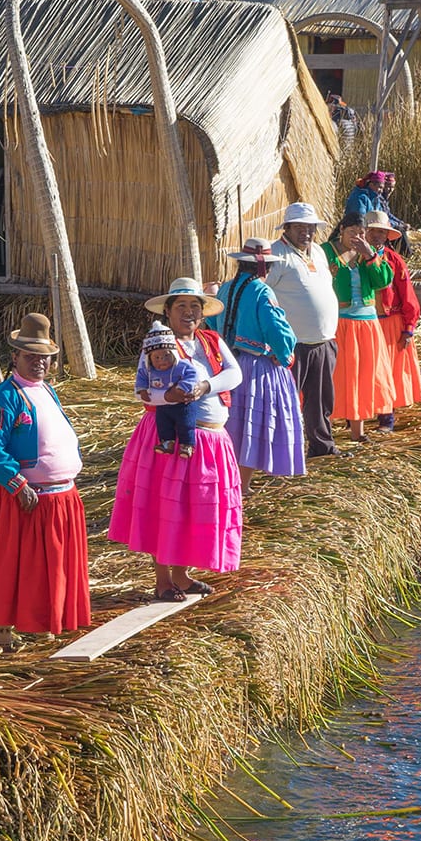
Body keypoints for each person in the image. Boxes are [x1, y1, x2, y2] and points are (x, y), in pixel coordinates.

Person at [107, 278, 243, 602]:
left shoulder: (210, 340)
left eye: (195, 306)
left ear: (203, 313)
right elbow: (144, 390)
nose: (188, 312)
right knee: (166, 504)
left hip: (210, 439)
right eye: (180, 306)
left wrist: (204, 387)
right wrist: (171, 394)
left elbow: (234, 373)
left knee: (190, 508)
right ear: (167, 311)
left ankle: (181, 576)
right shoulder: (158, 344)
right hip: (171, 437)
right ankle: (163, 580)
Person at [0, 313, 92, 651]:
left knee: (47, 568)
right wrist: (17, 483)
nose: (39, 363)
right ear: (15, 357)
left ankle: (42, 623)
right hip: (24, 498)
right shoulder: (3, 397)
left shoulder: (47, 391)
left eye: (45, 357)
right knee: (13, 564)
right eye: (31, 356)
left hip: (59, 497)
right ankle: (1, 631)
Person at [216, 237, 304, 489]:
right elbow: (275, 328)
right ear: (264, 267)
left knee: (232, 425)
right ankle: (241, 486)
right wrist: (285, 353)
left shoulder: (226, 287)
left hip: (228, 364)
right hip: (255, 369)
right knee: (249, 429)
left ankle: (230, 482)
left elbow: (212, 322)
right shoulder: (262, 291)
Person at [262, 202, 341, 459]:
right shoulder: (276, 255)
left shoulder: (317, 251)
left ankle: (322, 446)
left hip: (323, 341)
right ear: (287, 228)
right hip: (292, 344)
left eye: (310, 227)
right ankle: (281, 452)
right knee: (285, 400)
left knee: (320, 400)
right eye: (299, 227)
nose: (306, 232)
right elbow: (263, 294)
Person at [325, 211, 395, 444]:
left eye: (361, 233)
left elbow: (383, 281)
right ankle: (327, 430)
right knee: (338, 375)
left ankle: (358, 432)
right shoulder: (326, 251)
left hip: (367, 322)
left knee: (363, 376)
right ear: (342, 230)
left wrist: (370, 256)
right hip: (339, 322)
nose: (357, 236)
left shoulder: (370, 254)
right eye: (352, 232)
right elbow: (322, 277)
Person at [366, 210, 421, 432]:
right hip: (362, 320)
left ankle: (386, 419)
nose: (377, 236)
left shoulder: (393, 260)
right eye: (373, 231)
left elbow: (408, 295)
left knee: (387, 371)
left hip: (389, 322)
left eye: (382, 232)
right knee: (362, 368)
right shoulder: (352, 258)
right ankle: (356, 416)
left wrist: (409, 328)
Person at [136, 323, 206, 458]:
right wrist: (142, 390)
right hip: (162, 406)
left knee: (186, 424)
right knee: (163, 424)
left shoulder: (182, 365)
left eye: (166, 356)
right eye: (157, 357)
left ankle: (187, 445)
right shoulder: (148, 370)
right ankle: (167, 443)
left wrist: (183, 387)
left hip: (183, 405)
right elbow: (141, 379)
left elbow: (192, 374)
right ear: (149, 358)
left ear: (173, 354)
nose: (162, 360)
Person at [344, 169, 406, 241]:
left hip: (372, 228)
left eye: (382, 188)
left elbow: (382, 215)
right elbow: (360, 219)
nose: (381, 191)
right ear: (371, 184)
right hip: (358, 231)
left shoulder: (376, 199)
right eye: (380, 187)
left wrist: (395, 224)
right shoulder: (360, 197)